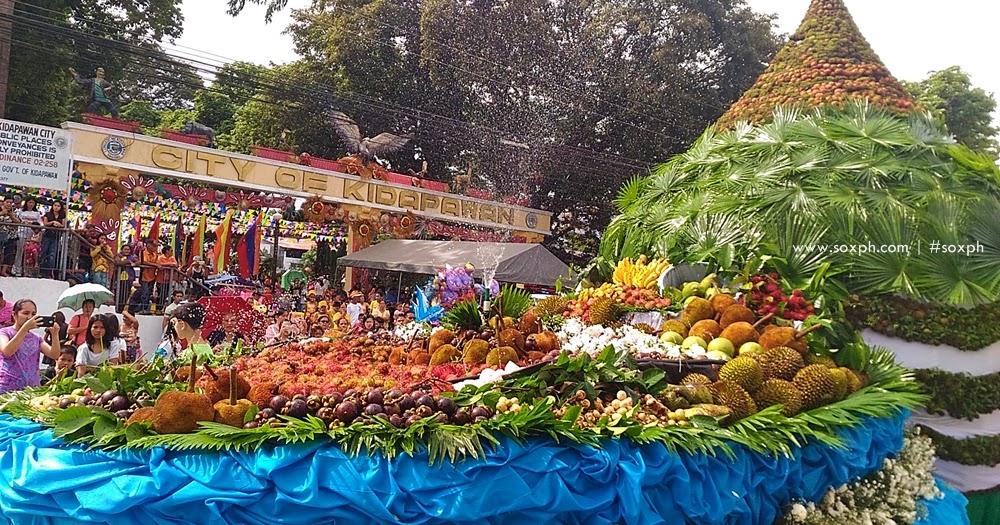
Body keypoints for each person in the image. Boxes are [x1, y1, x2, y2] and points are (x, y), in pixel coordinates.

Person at [0, 299, 62, 393]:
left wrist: (55, 334)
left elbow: (54, 354)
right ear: (14, 314)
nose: (30, 317)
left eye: (33, 314)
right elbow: (7, 351)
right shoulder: (4, 332)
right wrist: (25, 329)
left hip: (31, 389)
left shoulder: (36, 338)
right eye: (25, 313)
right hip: (7, 388)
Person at [40, 201, 66, 279]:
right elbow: (45, 223)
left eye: (58, 206)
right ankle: (41, 270)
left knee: (52, 255)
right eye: (55, 205)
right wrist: (53, 222)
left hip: (56, 237)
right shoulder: (48, 214)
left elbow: (63, 225)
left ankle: (49, 272)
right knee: (44, 252)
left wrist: (58, 224)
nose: (56, 207)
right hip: (47, 236)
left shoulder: (62, 216)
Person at [137, 239, 158, 312]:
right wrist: (155, 265)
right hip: (144, 276)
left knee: (149, 293)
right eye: (154, 246)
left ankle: (146, 308)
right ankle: (143, 309)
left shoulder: (155, 254)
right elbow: (144, 262)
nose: (155, 248)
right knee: (144, 294)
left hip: (152, 276)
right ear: (149, 245)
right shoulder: (143, 253)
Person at [0, 199, 19, 277]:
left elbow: (18, 222)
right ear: (3, 202)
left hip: (11, 236)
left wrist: (11, 216)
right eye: (7, 202)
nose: (9, 204)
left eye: (11, 202)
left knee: (9, 253)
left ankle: (4, 271)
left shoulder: (15, 211)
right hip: (1, 234)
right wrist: (1, 213)